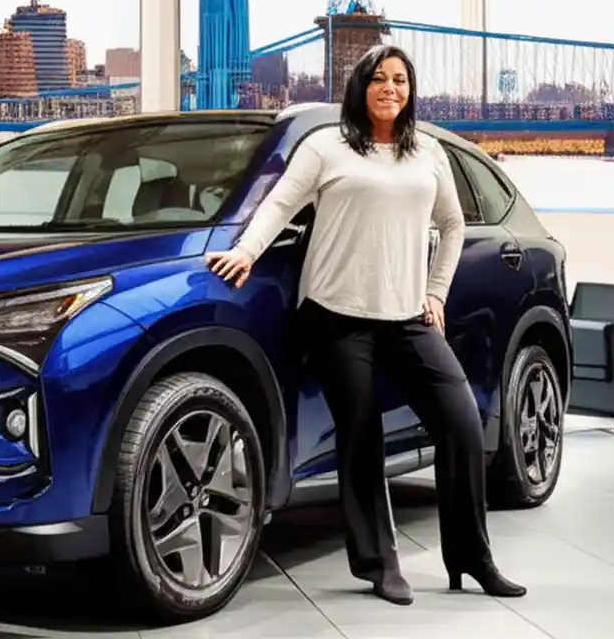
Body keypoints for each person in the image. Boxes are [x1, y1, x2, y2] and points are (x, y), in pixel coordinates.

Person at [205, 44, 526, 606]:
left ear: (410, 90)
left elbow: (452, 225)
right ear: (361, 87)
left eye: (401, 80)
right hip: (336, 315)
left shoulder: (426, 151)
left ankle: (472, 560)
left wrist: (435, 292)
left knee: (463, 425)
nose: (391, 89)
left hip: (405, 316)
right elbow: (279, 205)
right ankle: (380, 565)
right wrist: (248, 251)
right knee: (361, 438)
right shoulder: (326, 146)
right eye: (380, 79)